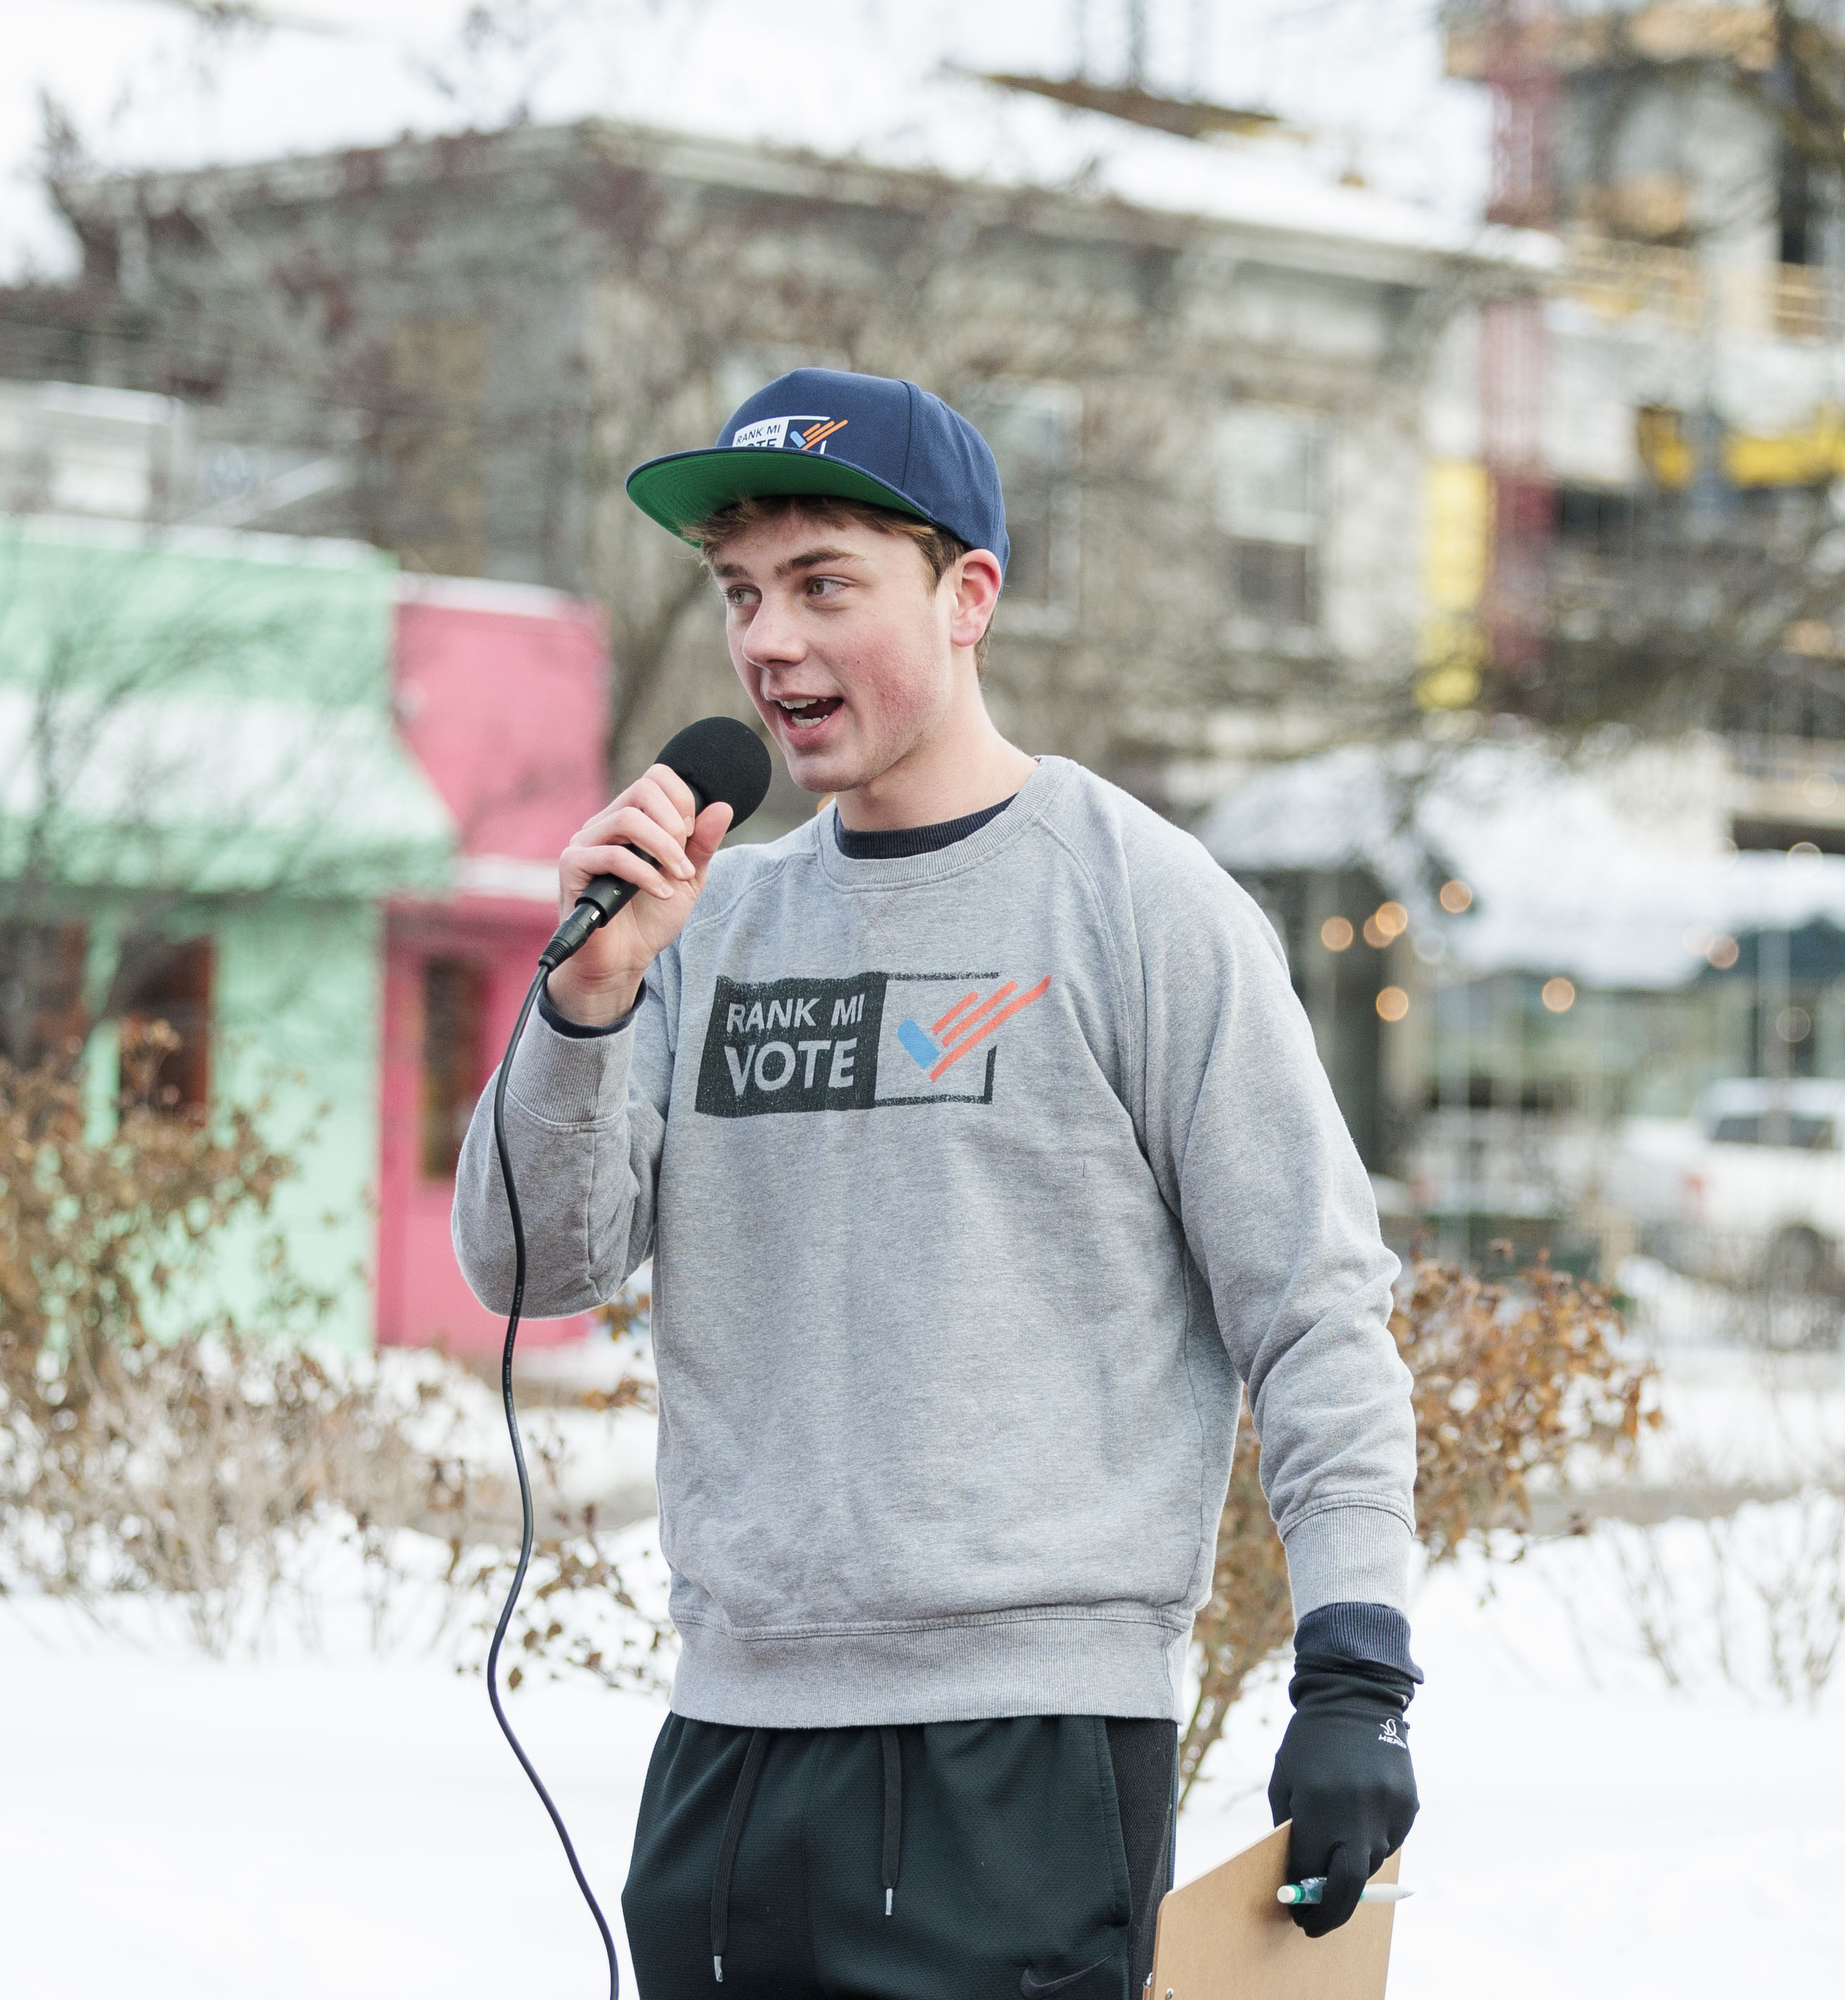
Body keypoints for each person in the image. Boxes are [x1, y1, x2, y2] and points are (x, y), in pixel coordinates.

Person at [454, 368, 1418, 2000]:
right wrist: (587, 1004)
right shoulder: (710, 926)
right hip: (731, 1746)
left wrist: (1356, 1674)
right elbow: (531, 1265)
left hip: (1022, 1753)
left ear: (970, 595)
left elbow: (1315, 1310)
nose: (768, 642)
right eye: (743, 594)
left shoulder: (1142, 904)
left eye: (826, 584)